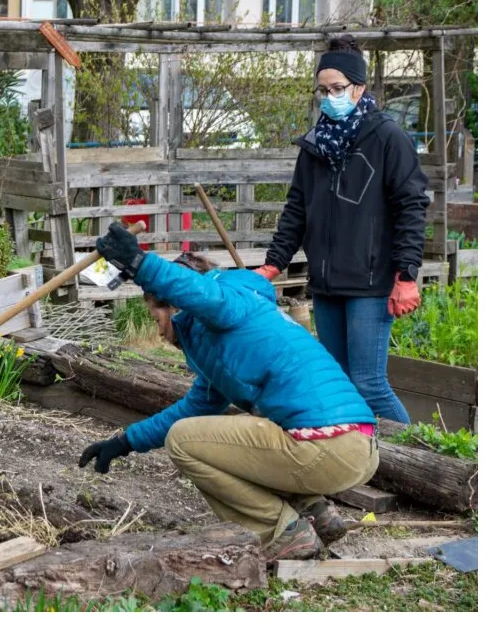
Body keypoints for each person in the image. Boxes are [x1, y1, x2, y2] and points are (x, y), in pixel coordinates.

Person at [80, 223, 379, 562]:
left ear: (175, 306)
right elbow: (194, 410)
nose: (159, 331)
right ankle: (314, 512)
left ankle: (280, 535)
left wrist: (139, 264)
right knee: (219, 434)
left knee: (183, 441)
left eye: (155, 318)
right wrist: (124, 442)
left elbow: (206, 296)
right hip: (355, 445)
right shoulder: (225, 338)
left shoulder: (225, 302)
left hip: (324, 445)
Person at [253, 35, 429, 424]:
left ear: (360, 87)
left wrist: (407, 274)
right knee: (337, 380)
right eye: (323, 90)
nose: (329, 96)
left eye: (338, 88)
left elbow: (411, 206)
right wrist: (272, 264)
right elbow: (297, 208)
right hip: (327, 283)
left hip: (371, 283)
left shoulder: (387, 138)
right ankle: (361, 461)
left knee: (368, 383)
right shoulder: (316, 145)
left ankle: (419, 455)